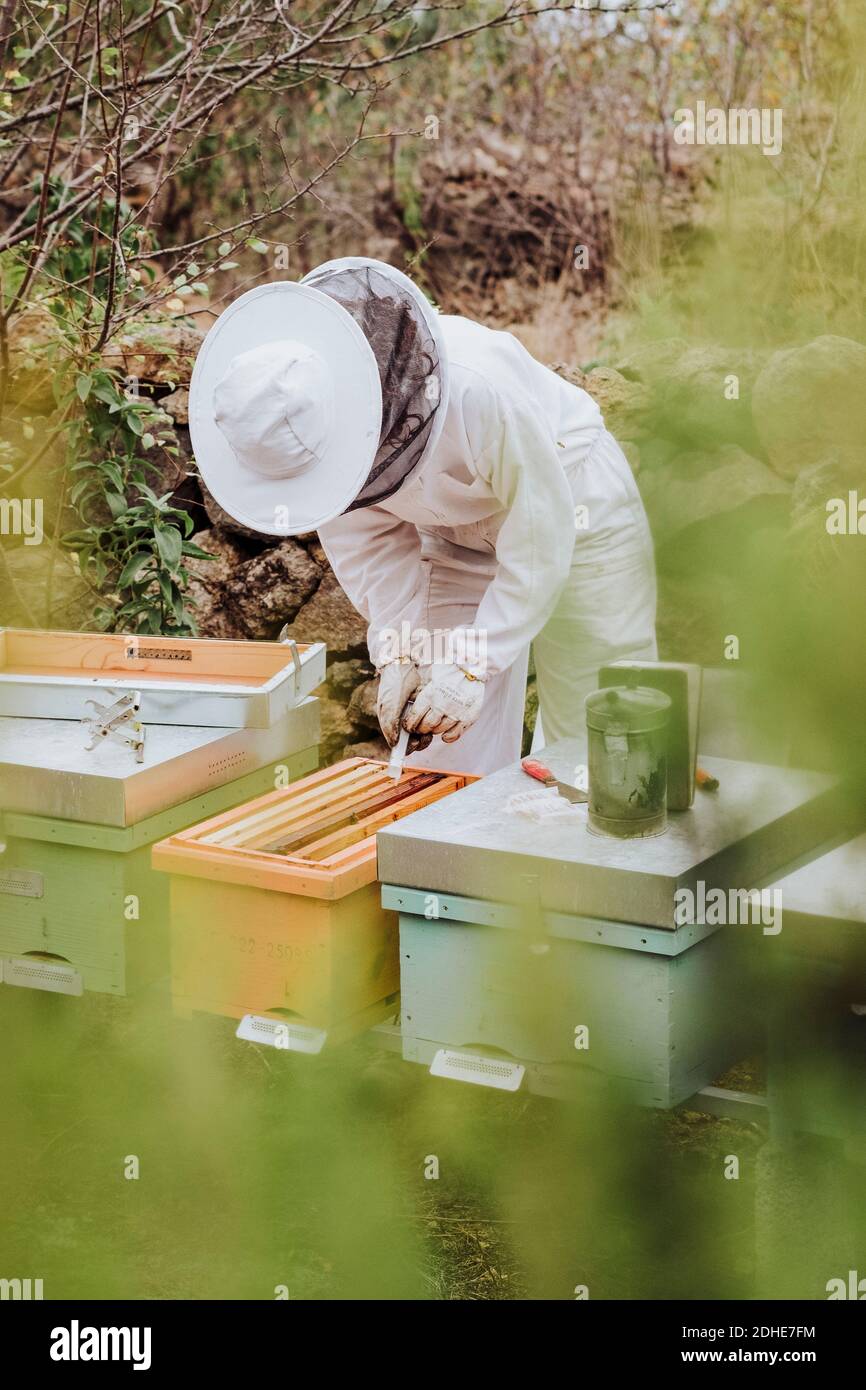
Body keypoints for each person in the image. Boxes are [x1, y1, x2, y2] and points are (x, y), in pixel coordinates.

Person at [189, 257, 657, 776]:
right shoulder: (318, 442)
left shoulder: (479, 387)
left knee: (602, 724)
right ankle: (461, 854)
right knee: (443, 738)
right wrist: (399, 651)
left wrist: (475, 664)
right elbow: (370, 545)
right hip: (455, 535)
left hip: (572, 499)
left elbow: (540, 529)